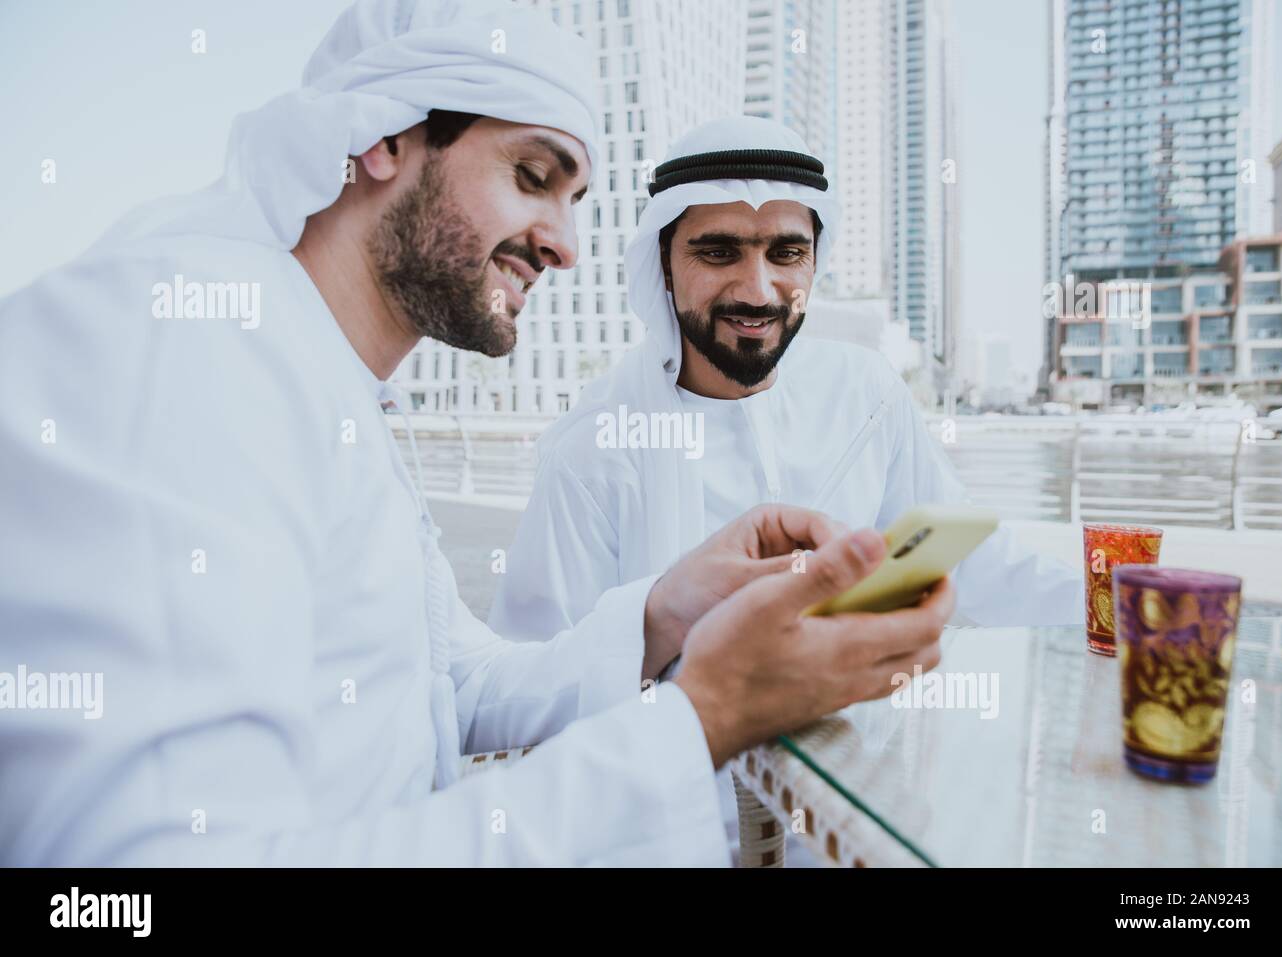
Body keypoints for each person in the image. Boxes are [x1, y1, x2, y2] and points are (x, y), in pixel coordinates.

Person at [0, 0, 953, 867]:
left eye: (575, 202)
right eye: (534, 176)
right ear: (381, 139)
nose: (564, 243)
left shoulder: (334, 391)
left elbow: (452, 680)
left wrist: (666, 606)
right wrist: (706, 715)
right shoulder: (190, 339)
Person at [491, 116, 1084, 644]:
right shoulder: (593, 452)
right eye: (718, 253)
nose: (757, 290)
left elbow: (959, 560)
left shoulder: (867, 394)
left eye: (786, 253)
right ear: (664, 268)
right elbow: (538, 677)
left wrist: (1128, 605)